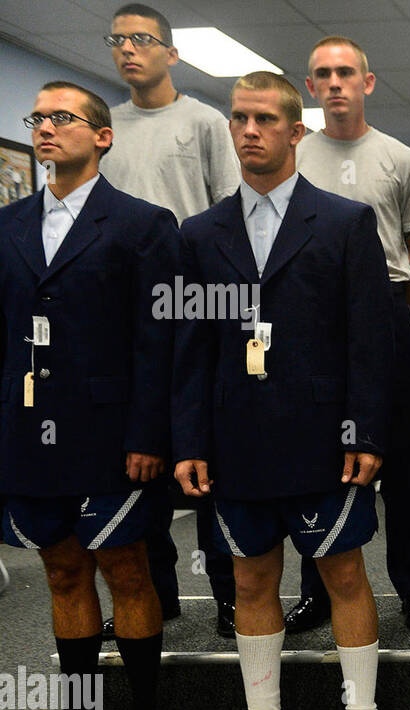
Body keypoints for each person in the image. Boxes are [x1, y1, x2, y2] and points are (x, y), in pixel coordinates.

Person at [173, 72, 397, 710]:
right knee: (250, 575)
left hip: (324, 437)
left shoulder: (343, 221)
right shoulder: (199, 234)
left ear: (296, 131)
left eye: (266, 119)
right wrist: (189, 440)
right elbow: (192, 348)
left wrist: (365, 431)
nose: (249, 130)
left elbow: (371, 341)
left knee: (343, 573)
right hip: (237, 438)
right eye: (240, 118)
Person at [1, 82, 178, 710]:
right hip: (28, 431)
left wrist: (149, 434)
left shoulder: (143, 225)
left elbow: (158, 341)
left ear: (102, 136)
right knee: (62, 569)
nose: (46, 128)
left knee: (125, 569)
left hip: (113, 434)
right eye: (37, 118)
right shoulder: (8, 226)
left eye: (61, 118)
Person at [288, 35, 410, 634]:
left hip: (386, 313)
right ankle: (316, 594)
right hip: (310, 323)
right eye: (322, 73)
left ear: (367, 83)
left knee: (401, 462)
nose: (334, 83)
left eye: (345, 72)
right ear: (310, 88)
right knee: (314, 462)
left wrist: (390, 312)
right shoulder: (294, 158)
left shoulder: (401, 159)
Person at [97, 3, 240, 640]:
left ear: (170, 53)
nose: (129, 50)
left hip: (191, 299)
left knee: (199, 445)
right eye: (118, 40)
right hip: (121, 309)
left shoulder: (204, 121)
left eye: (142, 40)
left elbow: (228, 213)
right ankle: (157, 593)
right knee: (135, 451)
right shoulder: (103, 127)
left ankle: (229, 597)